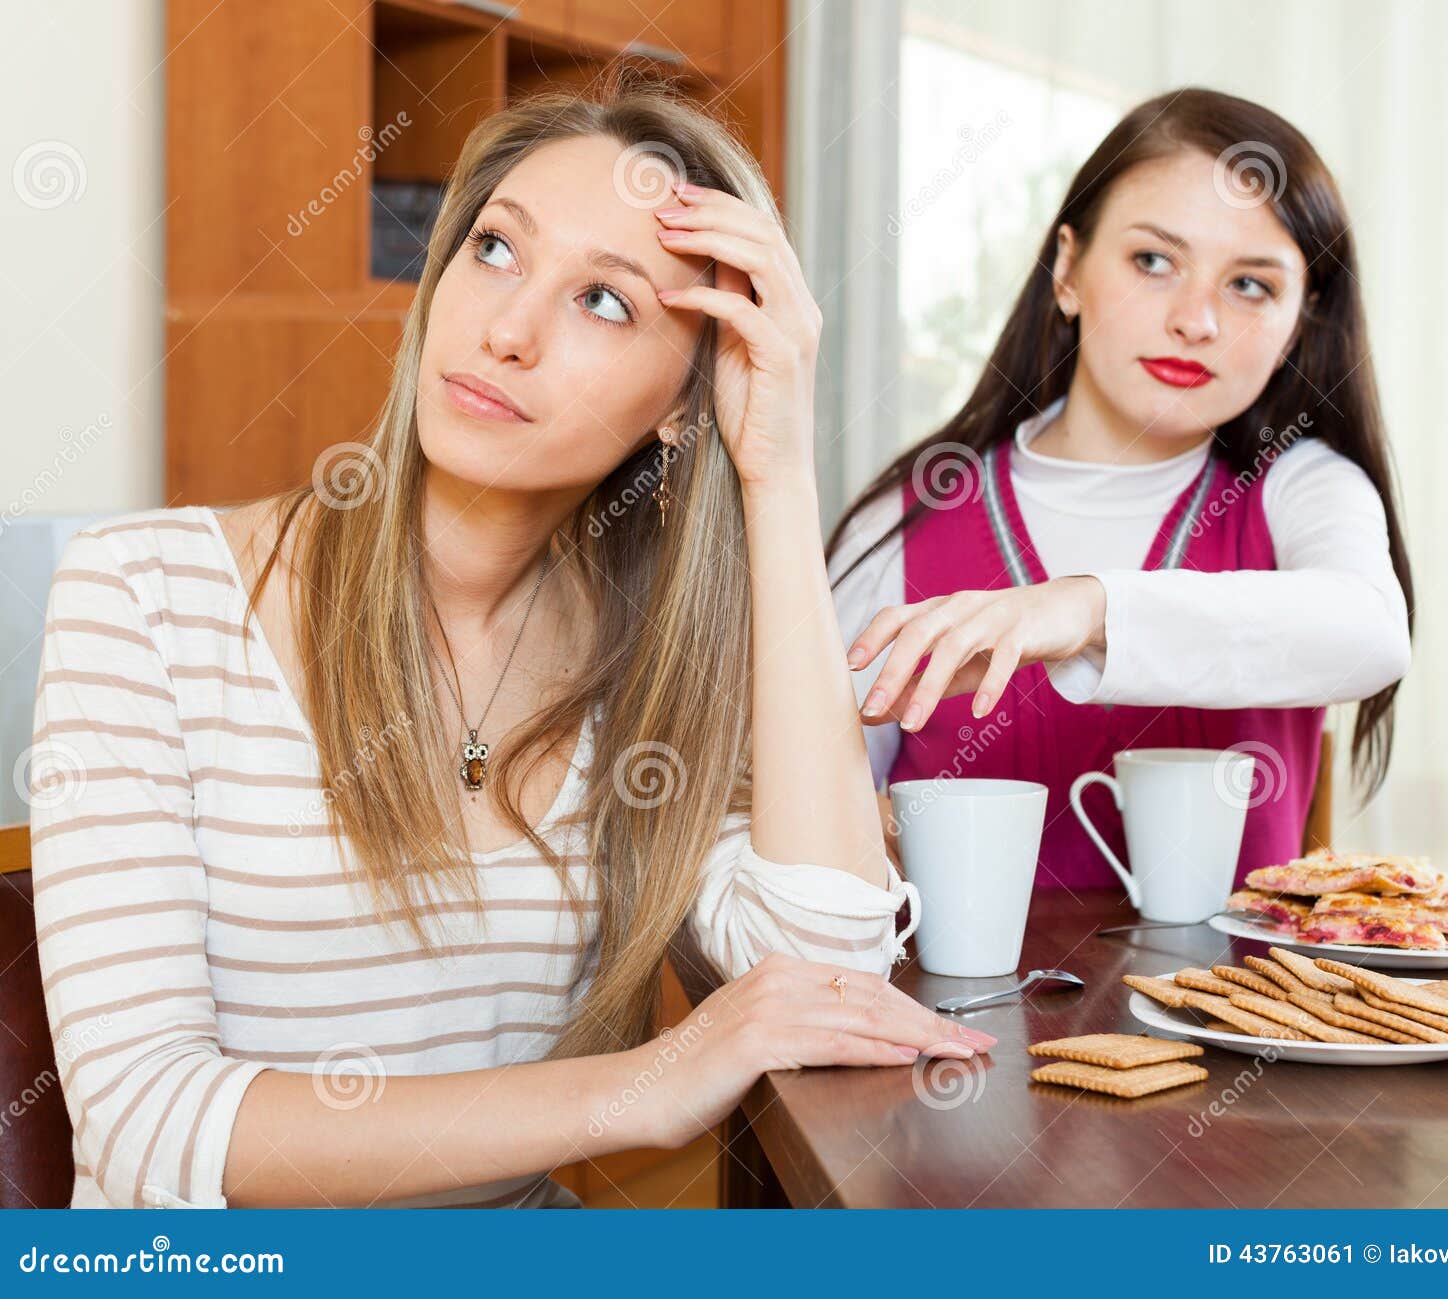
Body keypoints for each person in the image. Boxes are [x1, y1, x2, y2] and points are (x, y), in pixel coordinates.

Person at [28, 81, 994, 1211]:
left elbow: (829, 979)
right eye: (494, 249)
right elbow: (145, 1123)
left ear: (687, 403)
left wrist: (776, 471)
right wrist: (638, 1088)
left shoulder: (650, 677)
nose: (507, 331)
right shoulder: (142, 594)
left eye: (603, 300)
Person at [829, 88, 1412, 890]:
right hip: (959, 1019)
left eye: (1250, 285)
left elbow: (1371, 631)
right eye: (1153, 261)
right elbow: (807, 817)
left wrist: (1085, 608)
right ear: (1068, 269)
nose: (1196, 319)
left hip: (1243, 1018)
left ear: (1300, 324)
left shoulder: (1302, 486)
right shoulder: (908, 518)